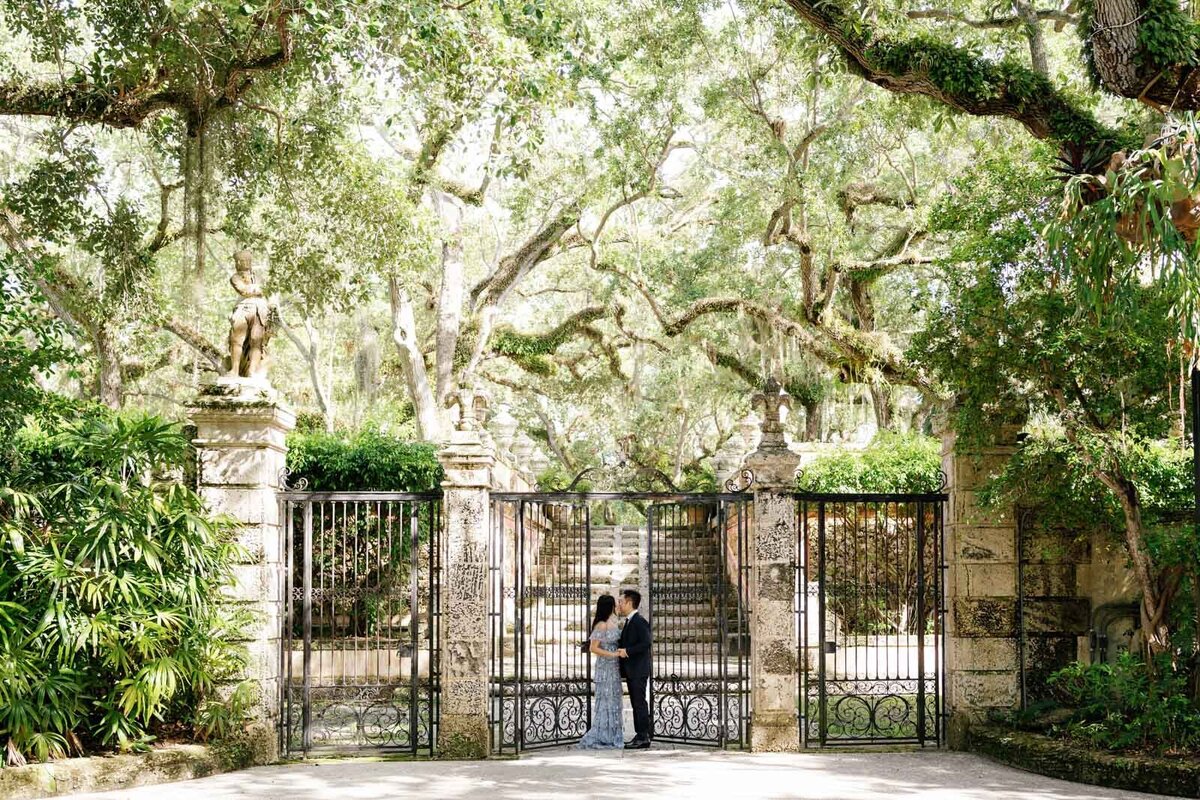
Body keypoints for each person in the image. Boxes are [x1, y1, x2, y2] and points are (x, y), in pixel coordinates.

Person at [576, 594, 624, 749]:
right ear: (610, 607)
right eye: (614, 604)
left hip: (614, 666)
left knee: (614, 698)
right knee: (606, 698)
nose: (616, 607)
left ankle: (612, 733)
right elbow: (593, 648)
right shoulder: (601, 625)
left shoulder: (612, 622)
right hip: (605, 666)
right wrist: (613, 654)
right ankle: (603, 733)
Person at [616, 588, 652, 749]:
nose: (619, 605)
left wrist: (627, 651)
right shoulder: (630, 621)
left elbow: (646, 643)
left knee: (639, 703)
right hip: (633, 671)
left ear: (629, 603)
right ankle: (640, 735)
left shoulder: (639, 621)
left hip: (638, 670)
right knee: (636, 703)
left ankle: (643, 736)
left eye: (621, 602)